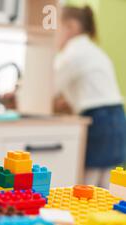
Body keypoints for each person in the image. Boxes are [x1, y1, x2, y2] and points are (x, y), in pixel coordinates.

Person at [54, 5, 126, 188]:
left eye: (57, 27)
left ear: (71, 27)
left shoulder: (72, 52)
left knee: (88, 186)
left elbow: (48, 88)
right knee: (108, 188)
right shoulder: (93, 51)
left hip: (98, 119)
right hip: (117, 117)